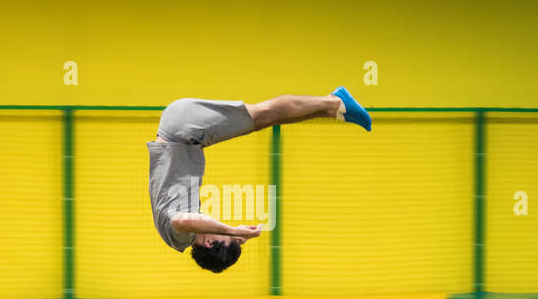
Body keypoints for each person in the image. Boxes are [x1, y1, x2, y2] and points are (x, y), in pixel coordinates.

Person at [147, 87, 372, 272]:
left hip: (182, 130)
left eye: (224, 237)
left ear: (208, 243)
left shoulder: (181, 237)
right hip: (185, 133)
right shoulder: (180, 238)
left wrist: (233, 231)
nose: (225, 231)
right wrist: (232, 234)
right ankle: (335, 110)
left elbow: (185, 220)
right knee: (265, 119)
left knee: (265, 114)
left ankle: (335, 102)